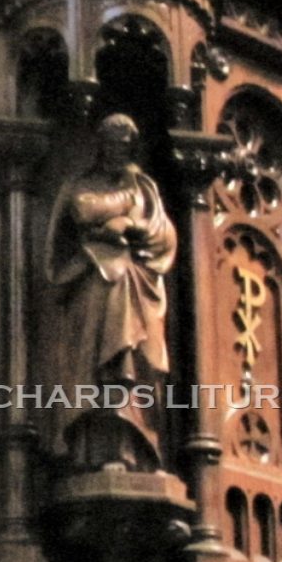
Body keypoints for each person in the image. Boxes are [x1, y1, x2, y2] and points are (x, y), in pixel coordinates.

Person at [42, 112, 177, 471]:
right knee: (99, 369)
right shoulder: (84, 184)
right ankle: (98, 453)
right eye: (113, 146)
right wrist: (122, 206)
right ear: (101, 147)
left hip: (139, 286)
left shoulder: (145, 187)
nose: (120, 153)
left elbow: (164, 235)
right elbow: (82, 210)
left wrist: (130, 223)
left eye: (126, 147)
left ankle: (141, 451)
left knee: (141, 363)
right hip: (96, 285)